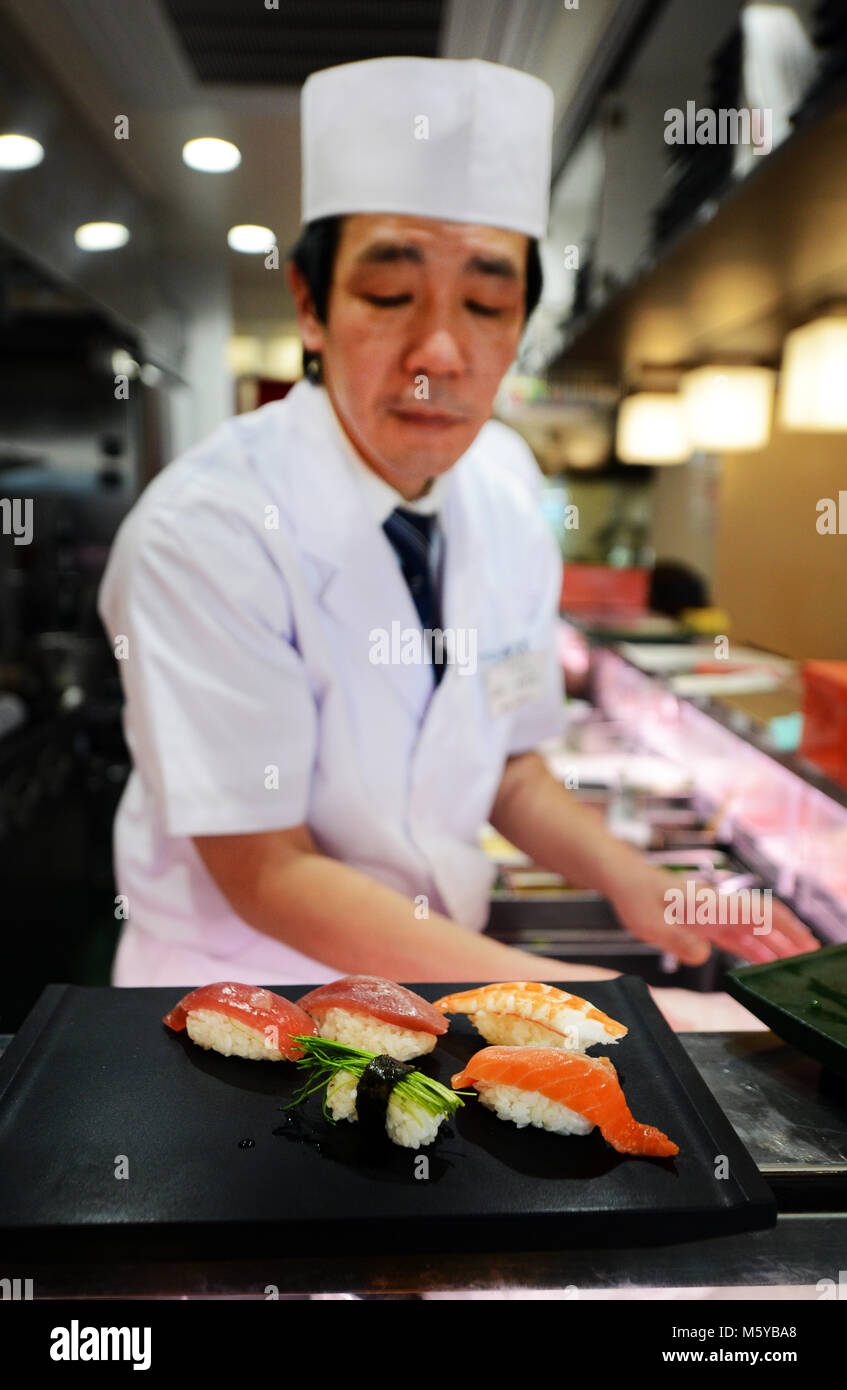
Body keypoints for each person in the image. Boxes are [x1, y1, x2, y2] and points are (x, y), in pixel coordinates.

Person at [98, 56, 816, 995]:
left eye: (484, 305)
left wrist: (644, 882)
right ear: (310, 305)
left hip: (442, 968)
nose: (438, 353)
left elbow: (507, 766)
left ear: (518, 326)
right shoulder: (204, 531)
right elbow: (266, 871)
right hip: (239, 990)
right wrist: (561, 996)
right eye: (389, 295)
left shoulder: (505, 482)